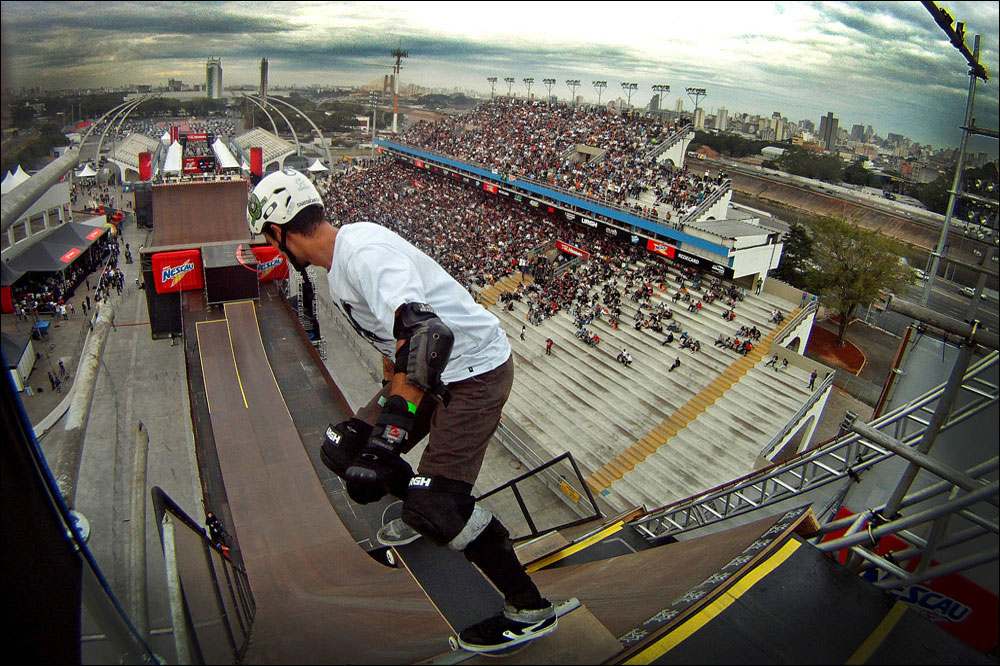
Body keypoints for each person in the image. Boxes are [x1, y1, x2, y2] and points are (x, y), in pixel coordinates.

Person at [247, 169, 556, 653]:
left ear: (279, 232)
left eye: (268, 239)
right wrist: (378, 434)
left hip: (473, 375)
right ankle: (418, 507)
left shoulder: (364, 254)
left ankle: (529, 607)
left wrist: (390, 435)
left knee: (438, 506)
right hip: (428, 374)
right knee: (345, 449)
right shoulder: (339, 269)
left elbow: (428, 336)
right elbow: (398, 349)